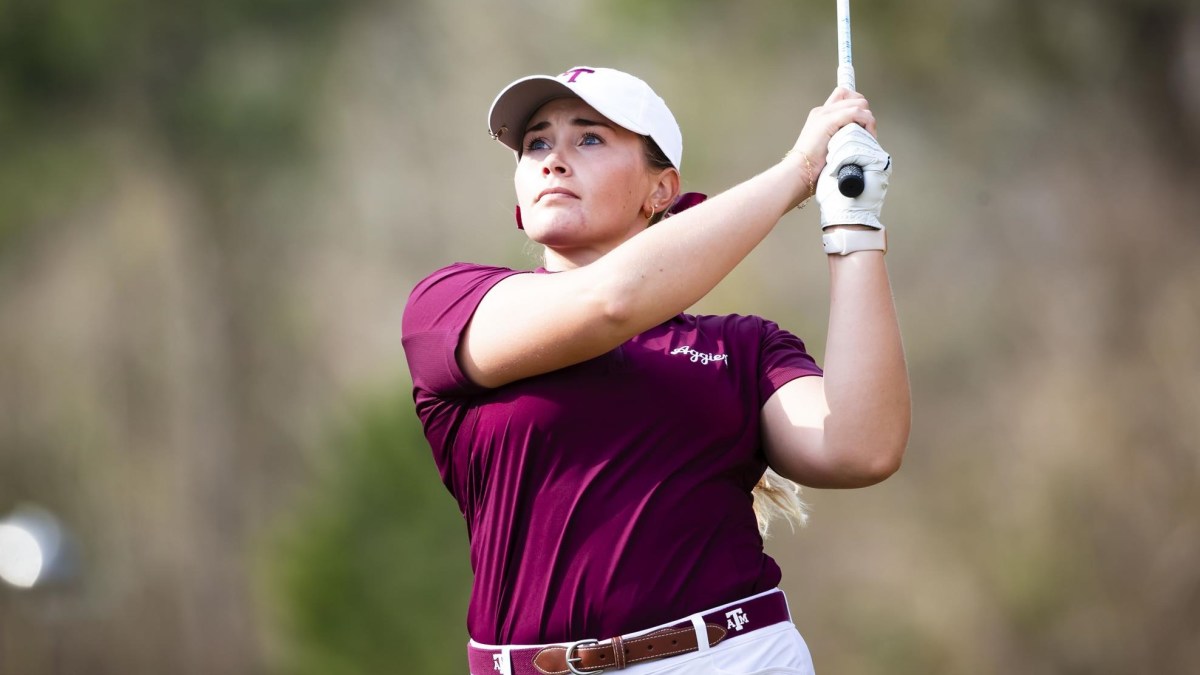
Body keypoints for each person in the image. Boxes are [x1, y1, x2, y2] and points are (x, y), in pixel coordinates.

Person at [401, 66, 909, 675]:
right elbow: (609, 304)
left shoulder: (742, 348)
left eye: (589, 138)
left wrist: (854, 227)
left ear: (662, 190)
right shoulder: (450, 306)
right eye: (537, 142)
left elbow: (861, 449)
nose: (554, 160)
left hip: (733, 657)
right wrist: (797, 171)